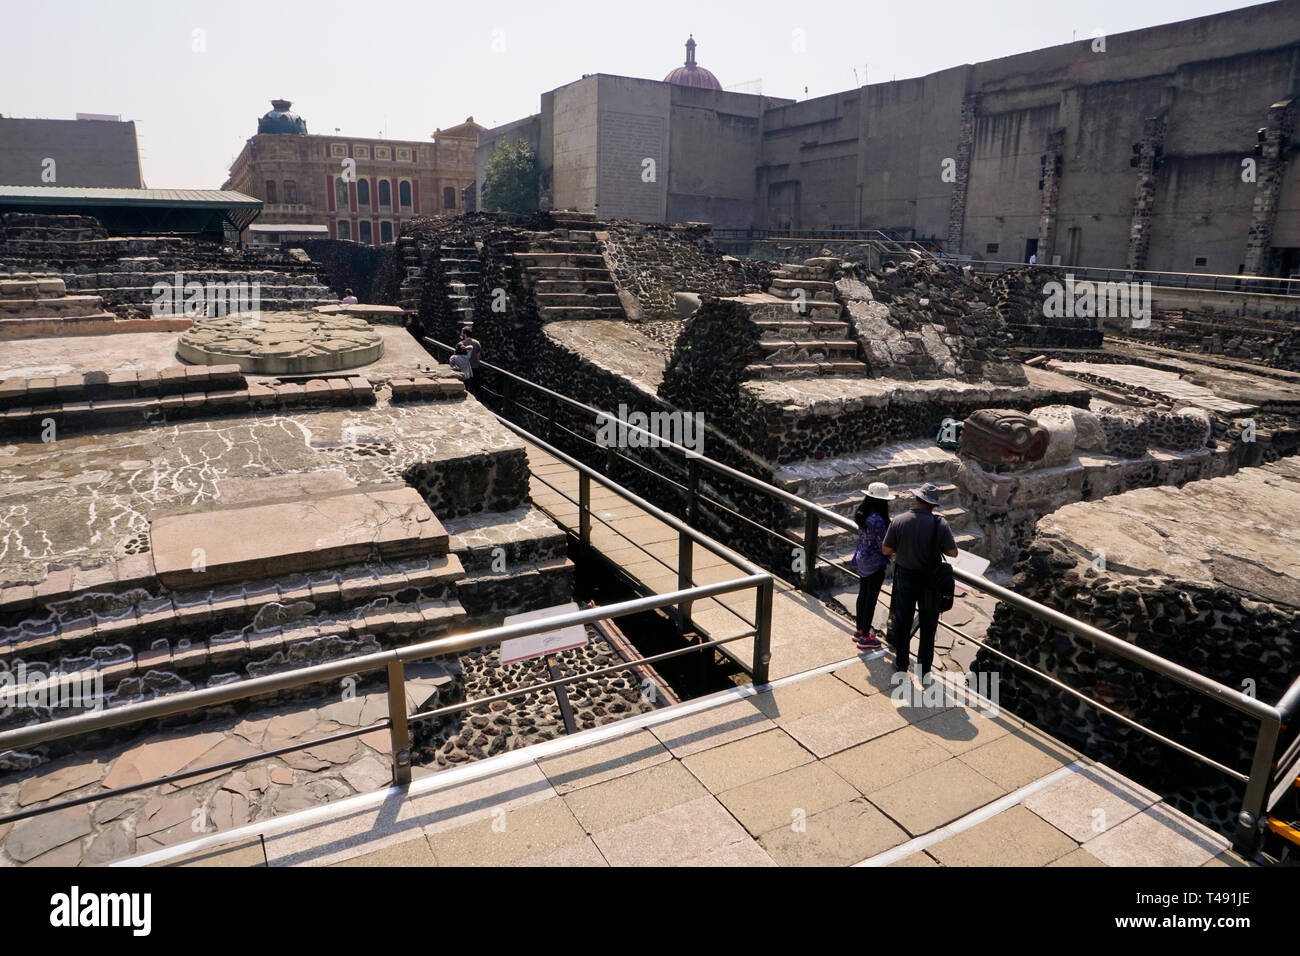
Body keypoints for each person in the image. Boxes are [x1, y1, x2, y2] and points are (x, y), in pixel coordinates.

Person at [882, 481, 958, 682]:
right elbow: (953, 552)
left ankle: (901, 664)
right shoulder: (940, 524)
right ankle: (924, 671)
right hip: (930, 581)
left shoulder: (899, 520)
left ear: (917, 499)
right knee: (928, 626)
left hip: (906, 577)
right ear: (933, 505)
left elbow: (886, 550)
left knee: (903, 621)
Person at [851, 481, 893, 651]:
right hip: (874, 563)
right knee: (871, 599)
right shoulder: (877, 520)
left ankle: (859, 630)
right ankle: (865, 637)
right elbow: (883, 545)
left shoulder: (862, 514)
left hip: (861, 558)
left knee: (862, 595)